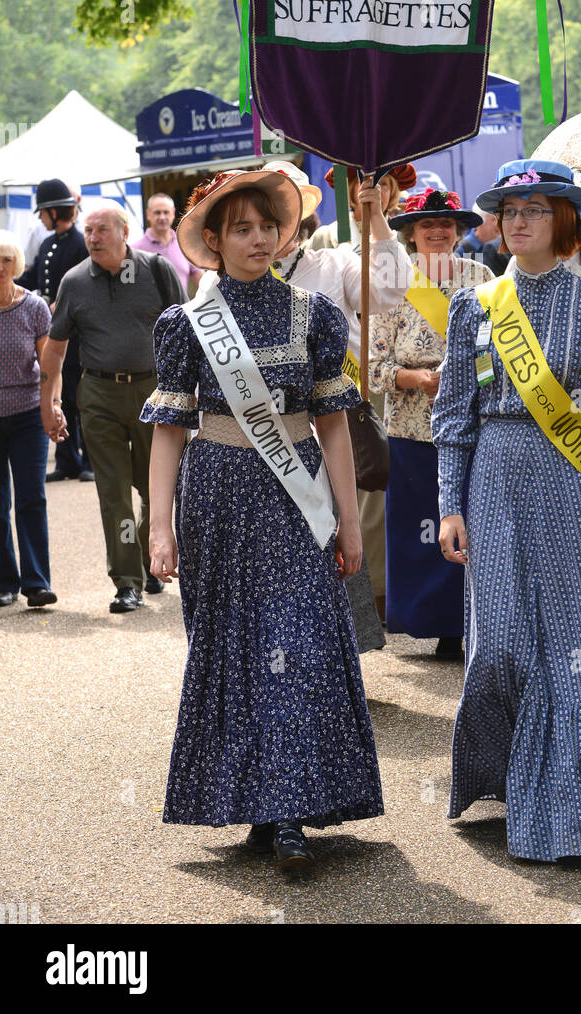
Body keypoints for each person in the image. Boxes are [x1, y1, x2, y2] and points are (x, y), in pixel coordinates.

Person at [143, 168, 383, 870]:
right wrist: (160, 527)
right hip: (217, 495)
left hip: (298, 489)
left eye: (267, 227)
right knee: (233, 646)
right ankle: (254, 802)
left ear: (286, 234)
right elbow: (167, 430)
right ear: (212, 241)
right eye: (240, 229)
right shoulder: (186, 324)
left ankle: (292, 809)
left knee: (299, 642)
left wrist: (350, 519)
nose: (257, 239)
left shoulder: (316, 313)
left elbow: (335, 427)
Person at [431, 159, 581, 861]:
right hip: (494, 480)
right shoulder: (473, 308)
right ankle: (504, 777)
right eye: (508, 210)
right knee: (499, 648)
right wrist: (449, 505)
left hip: (568, 485)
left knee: (574, 649)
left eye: (534, 208)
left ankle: (579, 807)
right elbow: (452, 417)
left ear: (564, 220)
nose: (518, 221)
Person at [197, 161, 414, 652]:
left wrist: (375, 216)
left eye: (276, 216)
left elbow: (392, 287)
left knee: (333, 534)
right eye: (250, 222)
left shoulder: (334, 264)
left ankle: (337, 655)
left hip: (323, 424)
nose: (266, 229)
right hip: (248, 441)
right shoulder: (216, 283)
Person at [39, 205, 186, 613]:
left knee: (152, 487)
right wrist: (50, 402)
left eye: (102, 230)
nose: (93, 237)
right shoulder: (74, 282)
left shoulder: (158, 271)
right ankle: (127, 583)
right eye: (88, 231)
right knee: (114, 492)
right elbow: (56, 348)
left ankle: (144, 557)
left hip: (153, 395)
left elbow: (185, 329)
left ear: (124, 232)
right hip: (98, 395)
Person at [370, 188, 492, 660]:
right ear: (411, 235)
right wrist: (416, 377)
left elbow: (495, 350)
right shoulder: (392, 283)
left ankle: (466, 624)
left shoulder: (481, 278)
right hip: (411, 431)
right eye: (427, 225)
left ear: (460, 232)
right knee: (421, 529)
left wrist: (465, 378)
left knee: (468, 527)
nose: (438, 232)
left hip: (469, 429)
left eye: (447, 225)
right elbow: (373, 369)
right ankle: (426, 620)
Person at [311, 161, 417, 622]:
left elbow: (400, 293)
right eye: (366, 181)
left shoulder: (399, 238)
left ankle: (388, 590)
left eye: (387, 182)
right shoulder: (325, 241)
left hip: (393, 382)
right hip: (340, 381)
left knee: (381, 488)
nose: (378, 190)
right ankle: (359, 600)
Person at [0, 231, 57, 609]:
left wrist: (53, 405)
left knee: (32, 497)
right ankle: (3, 581)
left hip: (28, 415)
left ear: (17, 263)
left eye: (5, 259)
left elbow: (50, 364)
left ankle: (36, 582)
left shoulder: (34, 307)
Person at [19, 178, 92, 483]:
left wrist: (60, 304)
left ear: (53, 211)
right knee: (60, 397)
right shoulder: (48, 244)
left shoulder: (80, 243)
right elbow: (32, 275)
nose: (39, 218)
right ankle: (67, 460)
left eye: (42, 212)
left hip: (78, 335)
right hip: (55, 334)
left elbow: (88, 286)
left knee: (81, 398)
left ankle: (89, 460)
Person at [133, 192, 203, 295]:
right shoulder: (135, 250)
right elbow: (126, 286)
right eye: (157, 212)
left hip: (181, 310)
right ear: (148, 214)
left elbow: (204, 284)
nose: (162, 217)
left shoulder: (185, 245)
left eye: (166, 212)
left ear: (173, 213)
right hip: (149, 311)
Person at [456, 205, 507, 276]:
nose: (500, 224)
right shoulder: (461, 250)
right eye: (494, 219)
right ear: (480, 222)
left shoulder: (504, 247)